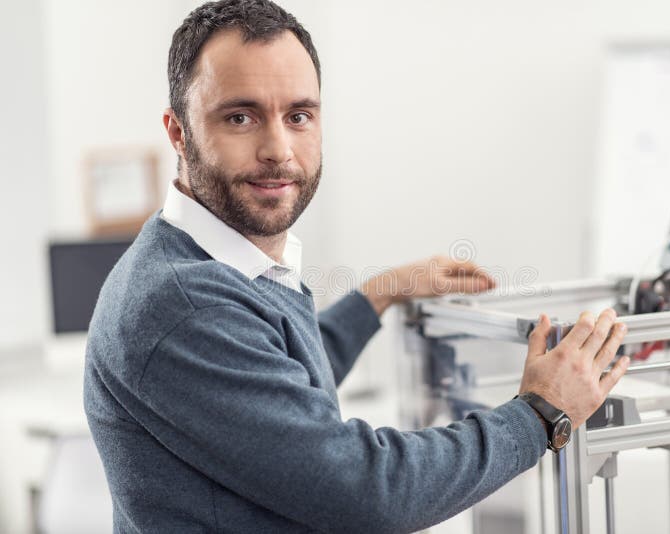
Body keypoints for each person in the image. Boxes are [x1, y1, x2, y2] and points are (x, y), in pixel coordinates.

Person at [84, 1, 630, 532]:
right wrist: (540, 414)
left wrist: (380, 293)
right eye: (240, 117)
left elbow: (280, 376)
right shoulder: (184, 304)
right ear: (178, 132)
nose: (278, 148)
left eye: (299, 115)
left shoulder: (213, 264)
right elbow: (370, 491)